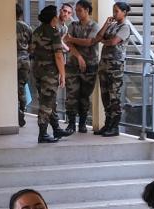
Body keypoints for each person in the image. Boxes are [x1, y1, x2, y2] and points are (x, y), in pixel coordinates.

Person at [32, 5, 71, 143]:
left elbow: (32, 50)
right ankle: (42, 134)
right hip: (49, 73)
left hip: (37, 70)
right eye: (57, 14)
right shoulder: (53, 33)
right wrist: (63, 74)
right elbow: (59, 56)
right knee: (47, 102)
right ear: (53, 17)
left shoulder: (36, 31)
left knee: (49, 101)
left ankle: (56, 128)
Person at [94, 1, 132, 136]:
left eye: (117, 11)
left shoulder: (125, 27)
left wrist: (104, 41)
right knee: (105, 95)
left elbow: (113, 42)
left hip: (115, 65)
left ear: (124, 12)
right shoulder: (113, 25)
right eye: (113, 11)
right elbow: (98, 36)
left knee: (114, 96)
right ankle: (107, 124)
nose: (114, 13)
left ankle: (114, 127)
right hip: (104, 64)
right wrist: (106, 24)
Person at [61, 0, 99, 134]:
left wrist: (72, 39)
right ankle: (71, 123)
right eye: (76, 10)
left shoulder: (94, 26)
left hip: (90, 67)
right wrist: (79, 56)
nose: (76, 13)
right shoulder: (73, 25)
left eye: (79, 10)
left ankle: (82, 124)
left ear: (87, 10)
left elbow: (89, 42)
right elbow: (67, 42)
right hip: (73, 65)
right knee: (71, 95)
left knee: (84, 96)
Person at [15, 4, 33, 128]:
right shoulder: (27, 27)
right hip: (25, 59)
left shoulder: (7, 26)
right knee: (21, 87)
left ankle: (14, 112)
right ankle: (22, 110)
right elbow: (32, 47)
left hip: (12, 59)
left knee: (9, 87)